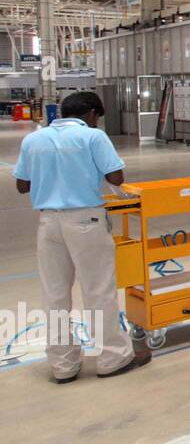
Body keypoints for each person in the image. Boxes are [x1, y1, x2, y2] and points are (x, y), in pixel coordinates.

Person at [12, 92, 150, 383]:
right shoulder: (93, 137)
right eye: (96, 116)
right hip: (85, 219)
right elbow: (116, 177)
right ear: (90, 113)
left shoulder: (33, 140)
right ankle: (112, 357)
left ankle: (63, 364)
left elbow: (22, 185)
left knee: (55, 293)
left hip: (49, 224)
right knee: (98, 289)